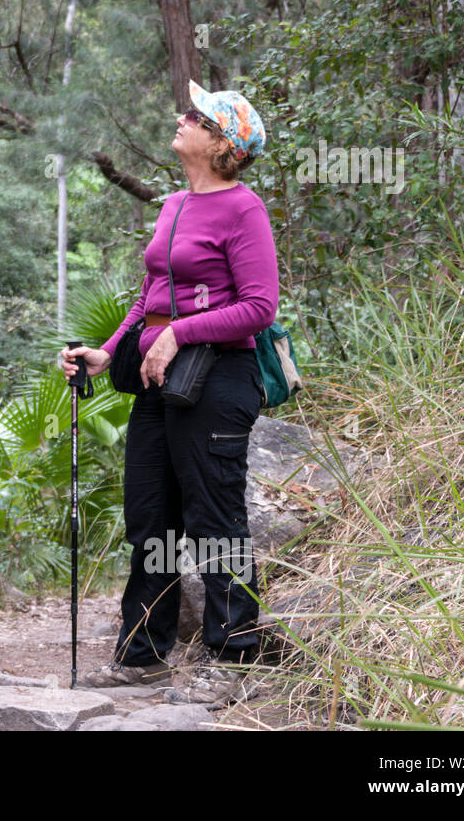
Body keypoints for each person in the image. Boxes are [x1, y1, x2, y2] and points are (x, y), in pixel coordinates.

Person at [59, 79, 278, 707]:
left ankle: (235, 657)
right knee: (151, 517)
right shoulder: (175, 205)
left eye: (197, 116)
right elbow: (149, 295)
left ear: (222, 146)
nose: (182, 118)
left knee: (215, 520)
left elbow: (259, 306)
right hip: (160, 378)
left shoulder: (244, 209)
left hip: (220, 380)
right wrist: (109, 352)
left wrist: (181, 332)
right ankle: (143, 657)